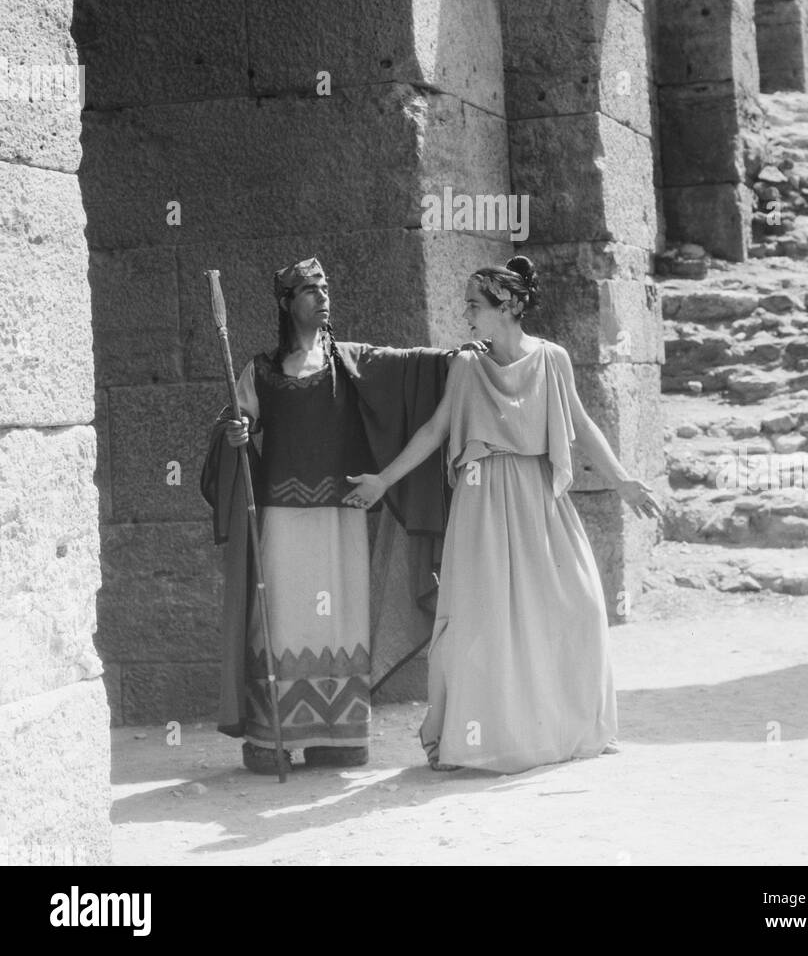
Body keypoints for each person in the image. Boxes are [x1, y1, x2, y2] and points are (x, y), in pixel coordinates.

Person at [344, 255, 662, 774]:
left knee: (578, 606)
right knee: (480, 620)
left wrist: (622, 480)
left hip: (541, 498)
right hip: (482, 499)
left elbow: (579, 426)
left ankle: (578, 726)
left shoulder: (553, 359)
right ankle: (470, 739)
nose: (465, 312)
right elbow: (433, 432)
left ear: (508, 306)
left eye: (474, 303)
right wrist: (384, 479)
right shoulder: (467, 366)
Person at [200, 256, 455, 774]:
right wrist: (234, 433)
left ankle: (336, 735)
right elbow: (236, 421)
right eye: (310, 290)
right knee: (283, 619)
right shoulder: (261, 371)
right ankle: (271, 736)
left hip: (340, 519)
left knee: (340, 622)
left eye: (325, 288)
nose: (323, 297)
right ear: (287, 302)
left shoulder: (353, 362)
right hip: (282, 519)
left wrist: (462, 357)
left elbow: (416, 366)